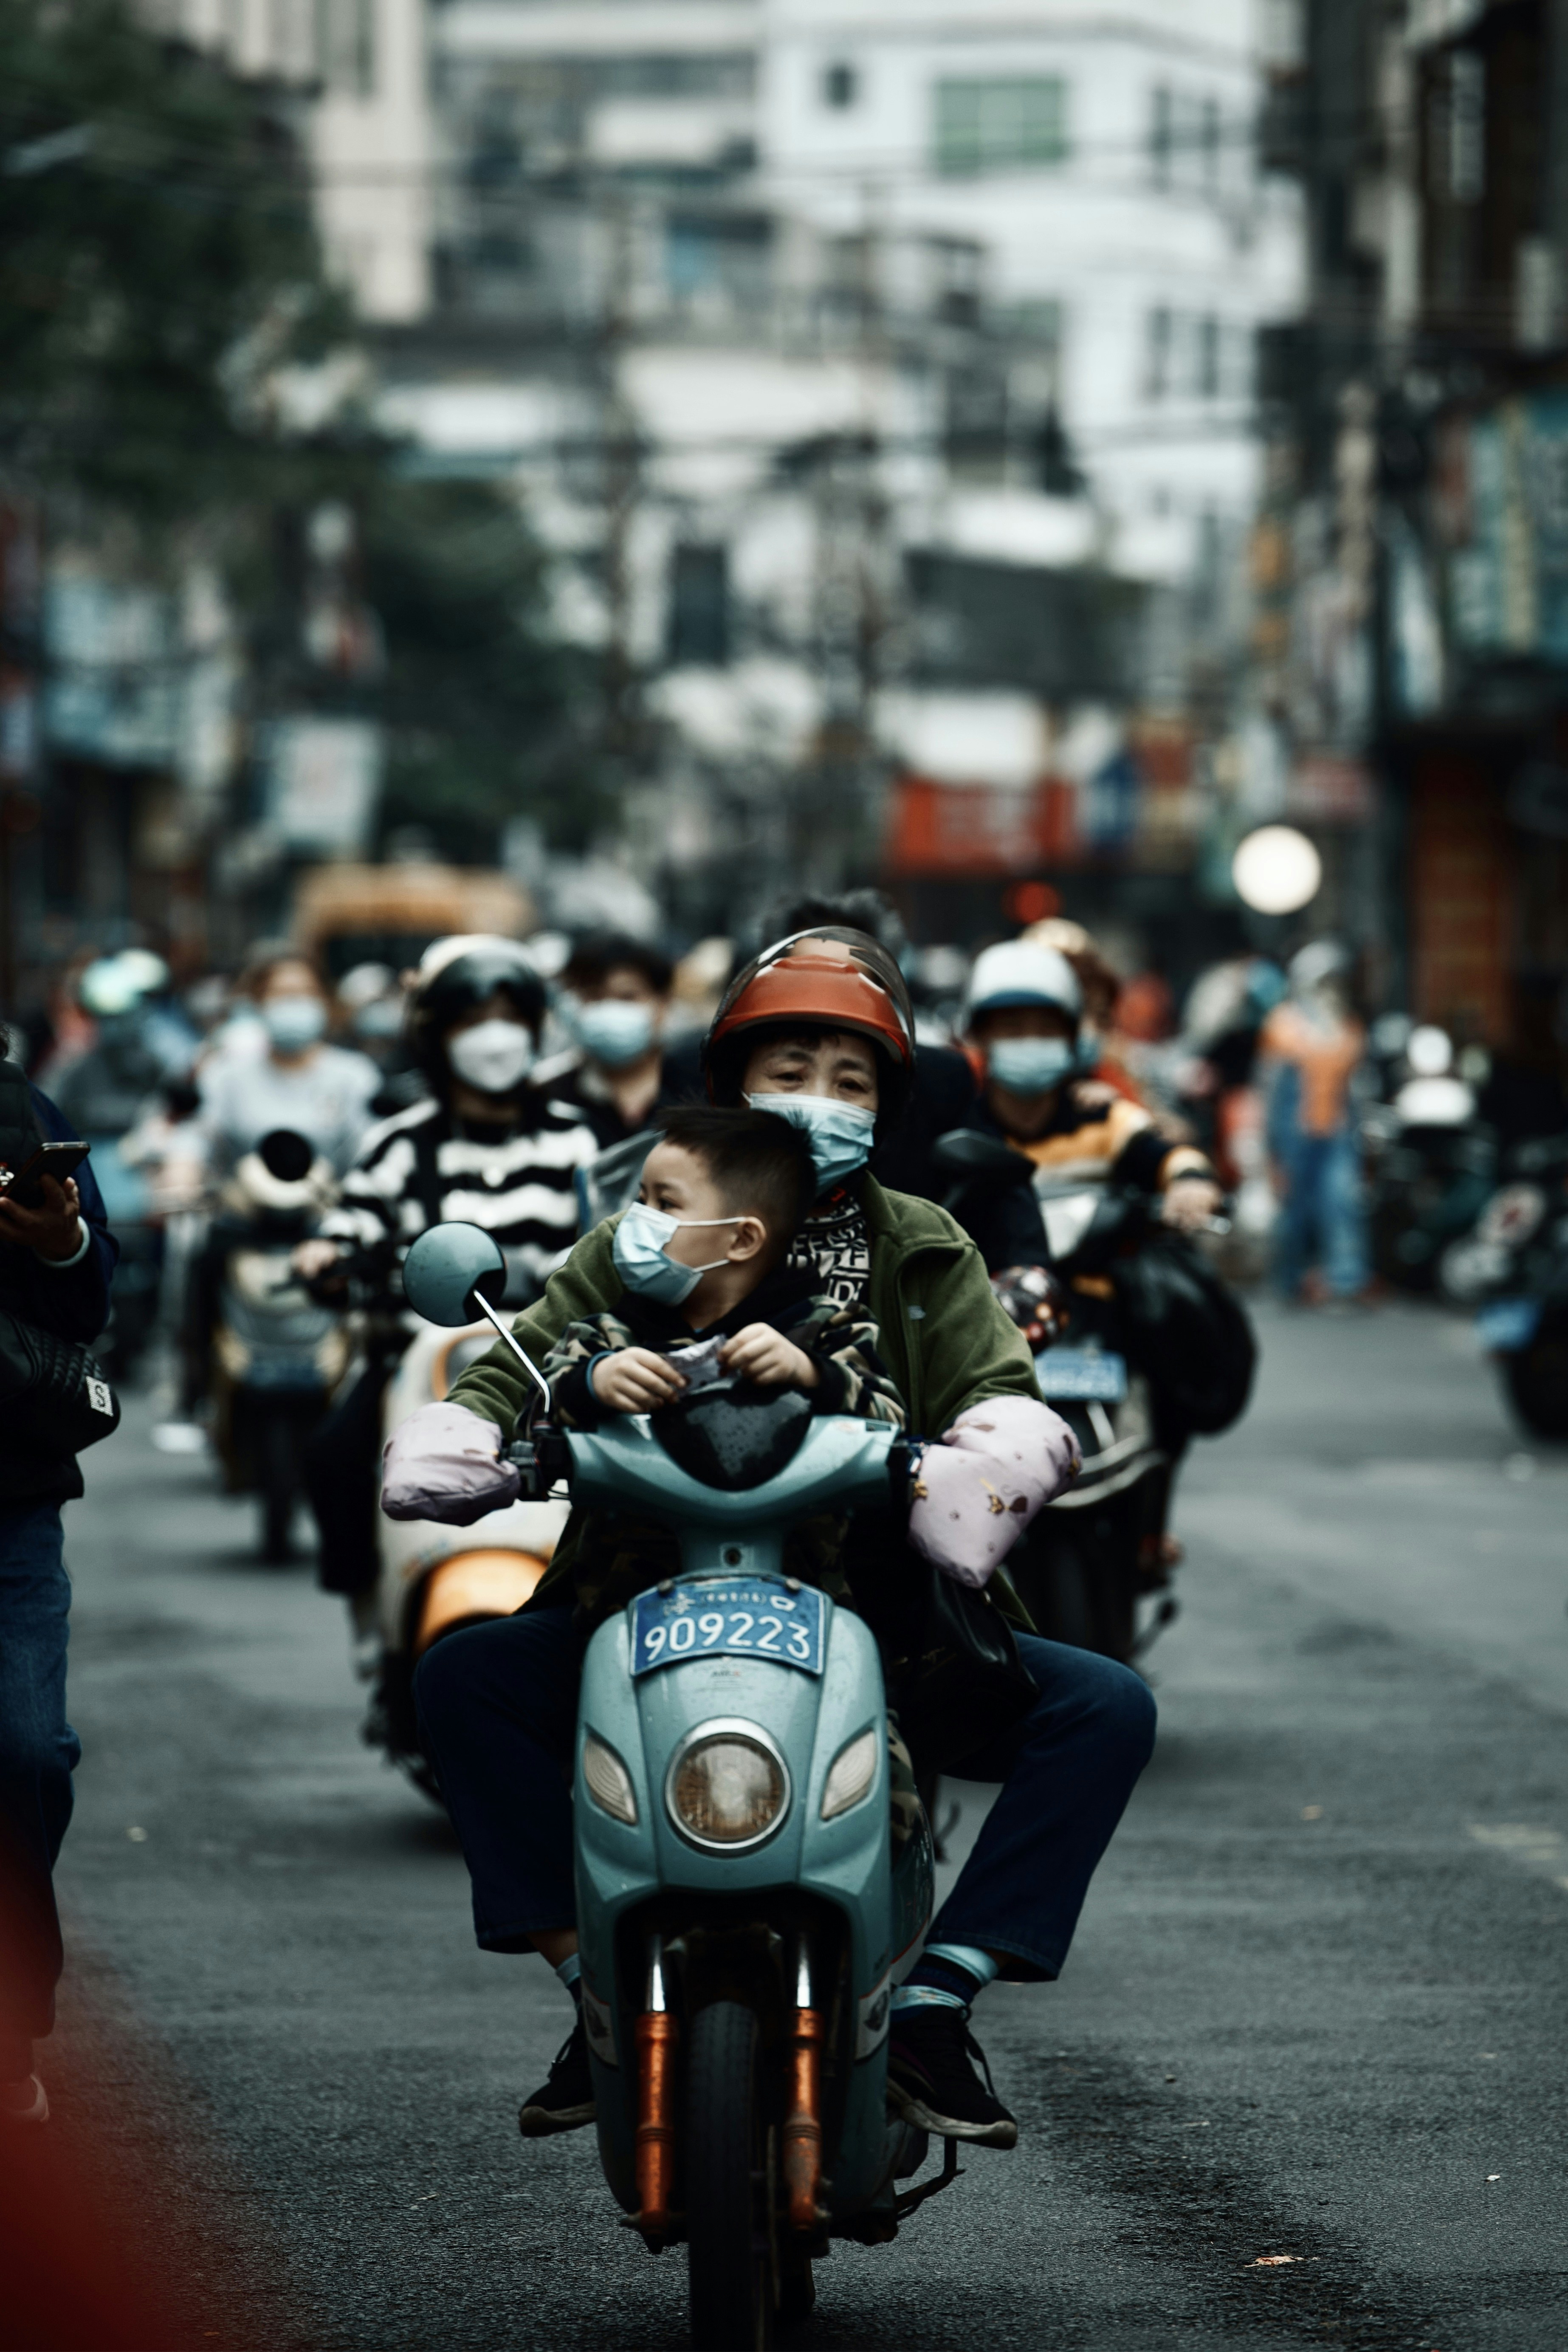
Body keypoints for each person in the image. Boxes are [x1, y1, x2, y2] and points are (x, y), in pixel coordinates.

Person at [384, 927, 1156, 2155]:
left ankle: (935, 2000)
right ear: (733, 1077)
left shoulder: (921, 1243)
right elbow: (505, 1374)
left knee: (1104, 1709)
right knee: (459, 1681)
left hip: (884, 1610)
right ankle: (593, 1985)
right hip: (633, 1596)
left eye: (851, 1081)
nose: (817, 1101)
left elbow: (1006, 1410)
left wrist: (940, 1456)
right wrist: (547, 1402)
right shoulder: (647, 1221)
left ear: (887, 1107)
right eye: (789, 1068)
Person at [294, 936, 601, 1657]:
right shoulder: (401, 1142)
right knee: (335, 1456)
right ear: (437, 1036)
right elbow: (353, 1218)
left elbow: (608, 1235)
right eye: (472, 1020)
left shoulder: (576, 1140)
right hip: (419, 1363)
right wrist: (328, 1251)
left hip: (553, 1361)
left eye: (509, 1018)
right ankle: (374, 1615)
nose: (494, 1037)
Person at [0, 1044, 117, 2125]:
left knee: (26, 1749)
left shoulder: (16, 1108)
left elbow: (94, 1294)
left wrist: (61, 1241)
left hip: (9, 1508)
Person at [955, 939, 1225, 1269]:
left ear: (1071, 1037)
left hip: (1100, 1300)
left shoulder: (1102, 1118)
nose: (1030, 1040)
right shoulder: (960, 1130)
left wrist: (1191, 1182)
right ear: (979, 1037)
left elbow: (1166, 1155)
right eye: (1012, 1029)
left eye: (1046, 1030)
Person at [198, 948, 380, 1179]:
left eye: (306, 992)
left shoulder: (356, 1075)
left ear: (324, 1001)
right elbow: (195, 1143)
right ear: (257, 1003)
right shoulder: (225, 1077)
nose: (294, 1001)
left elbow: (371, 1152)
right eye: (282, 994)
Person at [1258, 941, 1369, 1304]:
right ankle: (1289, 1279)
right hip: (1295, 1133)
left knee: (1342, 1203)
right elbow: (1271, 1088)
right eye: (1326, 981)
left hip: (1337, 1132)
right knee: (1294, 1208)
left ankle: (1346, 1281)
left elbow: (1356, 1087)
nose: (1332, 990)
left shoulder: (1347, 1026)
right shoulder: (1284, 1024)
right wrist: (1269, 1143)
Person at [541, 933, 685, 1150]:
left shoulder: (698, 1089)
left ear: (663, 1003)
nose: (610, 1010)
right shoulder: (548, 1096)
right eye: (594, 998)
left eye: (627, 997)